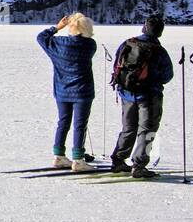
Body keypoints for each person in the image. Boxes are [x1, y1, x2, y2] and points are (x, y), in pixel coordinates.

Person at [109, 14, 175, 178]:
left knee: (128, 128)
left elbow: (118, 63)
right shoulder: (159, 51)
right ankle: (139, 165)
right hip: (149, 96)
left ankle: (118, 160)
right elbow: (167, 75)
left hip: (126, 93)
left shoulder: (127, 44)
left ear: (144, 27)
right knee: (148, 130)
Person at [37, 12, 98, 171]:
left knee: (63, 123)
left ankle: (59, 156)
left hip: (62, 91)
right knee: (80, 125)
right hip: (82, 92)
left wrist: (57, 27)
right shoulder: (90, 45)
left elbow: (41, 37)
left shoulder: (58, 44)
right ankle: (78, 159)